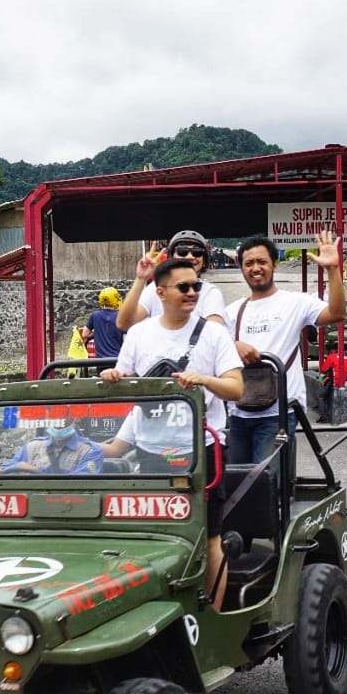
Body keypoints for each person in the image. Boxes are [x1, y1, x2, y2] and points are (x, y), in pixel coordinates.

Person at [100, 257, 244, 609]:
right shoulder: (139, 333)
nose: (192, 292)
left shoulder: (213, 334)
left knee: (210, 536)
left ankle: (212, 618)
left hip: (202, 450)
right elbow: (127, 385)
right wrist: (114, 380)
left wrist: (204, 380)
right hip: (151, 453)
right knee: (153, 537)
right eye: (184, 287)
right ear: (160, 292)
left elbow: (236, 388)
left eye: (196, 286)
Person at [225, 232, 347, 467]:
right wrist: (233, 345)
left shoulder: (295, 302)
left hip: (278, 415)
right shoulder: (233, 311)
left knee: (266, 484)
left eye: (262, 262)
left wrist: (333, 269)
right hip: (239, 413)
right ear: (241, 268)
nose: (255, 268)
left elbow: (336, 313)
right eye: (249, 263)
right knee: (235, 485)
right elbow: (213, 347)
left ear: (275, 264)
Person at [116, 230, 227, 331]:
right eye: (182, 251)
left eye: (197, 252)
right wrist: (141, 278)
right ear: (171, 257)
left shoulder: (210, 292)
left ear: (204, 260)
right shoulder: (155, 288)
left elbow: (215, 332)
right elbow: (124, 323)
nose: (189, 256)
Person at [2, 422, 104, 475]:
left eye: (65, 412)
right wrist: (16, 470)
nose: (60, 418)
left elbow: (81, 485)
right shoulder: (32, 447)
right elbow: (0, 474)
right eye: (54, 412)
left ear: (76, 417)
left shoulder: (90, 451)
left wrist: (37, 473)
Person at [82, 287, 124, 359]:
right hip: (116, 360)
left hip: (100, 360)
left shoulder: (95, 315)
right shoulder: (120, 316)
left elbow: (84, 334)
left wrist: (97, 332)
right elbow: (126, 340)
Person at [317, 349, 347, 423]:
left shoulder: (331, 357)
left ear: (332, 350)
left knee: (320, 396)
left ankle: (323, 417)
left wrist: (320, 380)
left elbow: (324, 370)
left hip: (334, 382)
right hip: (342, 383)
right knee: (325, 393)